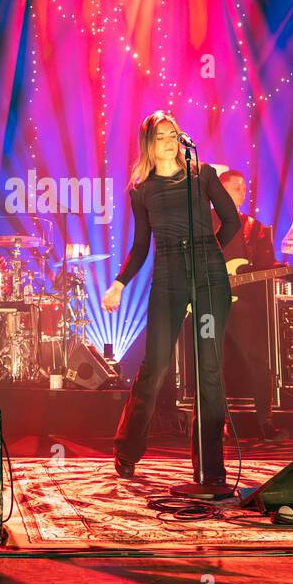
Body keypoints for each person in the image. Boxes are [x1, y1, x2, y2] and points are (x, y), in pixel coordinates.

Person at [102, 112, 240, 491]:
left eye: (173, 134)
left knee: (209, 371)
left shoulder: (203, 175)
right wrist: (119, 283)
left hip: (209, 278)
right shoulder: (142, 190)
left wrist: (210, 254)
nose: (169, 140)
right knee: (155, 366)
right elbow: (141, 245)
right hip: (169, 278)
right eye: (161, 135)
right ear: (148, 142)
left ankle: (212, 469)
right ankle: (128, 449)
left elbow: (232, 222)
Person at [215, 169, 293, 439]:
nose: (243, 192)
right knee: (213, 364)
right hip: (211, 301)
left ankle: (265, 422)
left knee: (259, 361)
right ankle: (217, 423)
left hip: (243, 304)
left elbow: (266, 266)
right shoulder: (204, 223)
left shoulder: (253, 228)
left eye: (244, 187)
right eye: (236, 187)